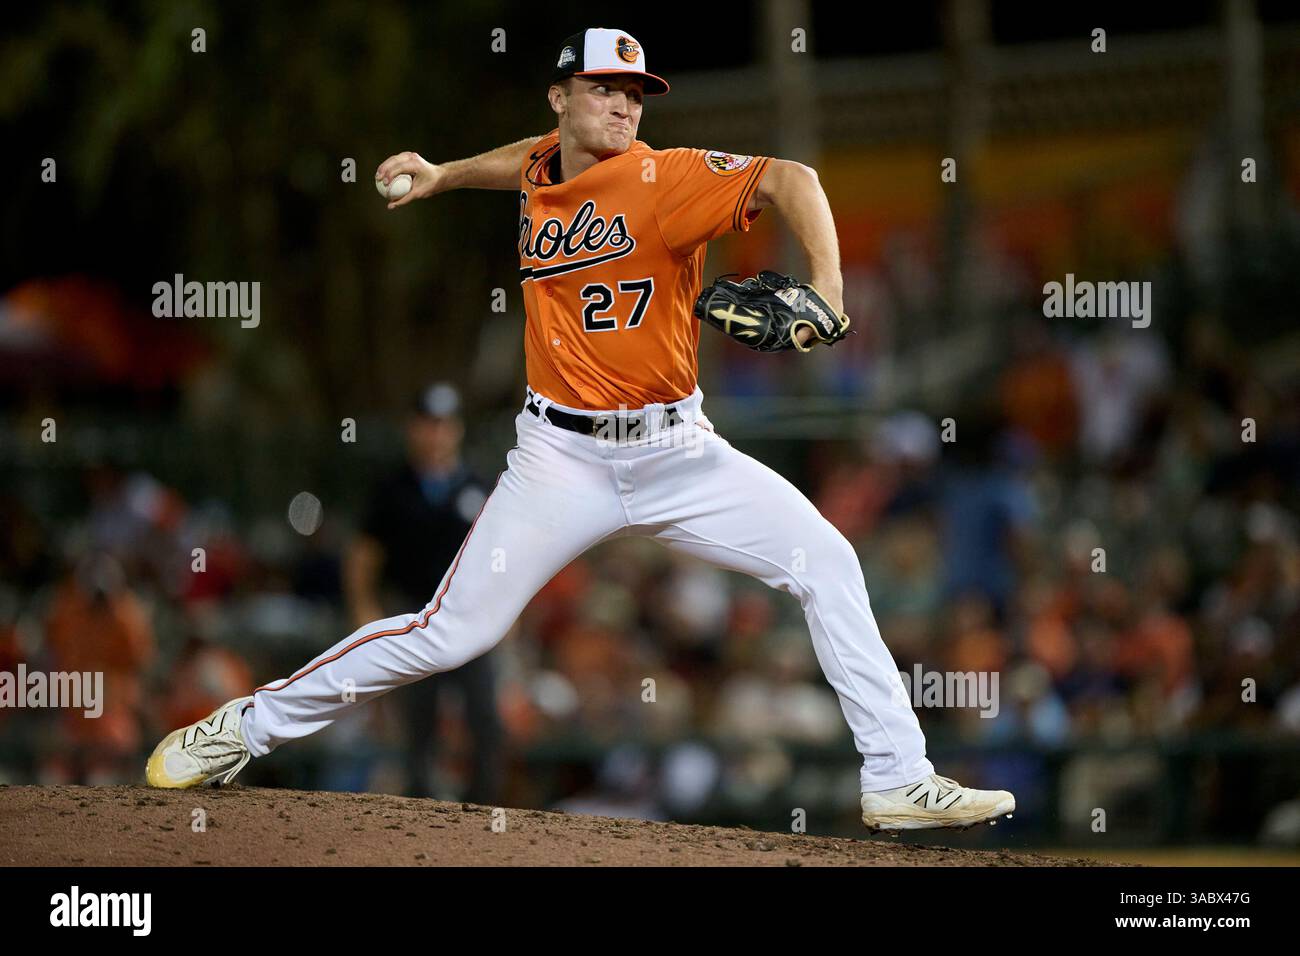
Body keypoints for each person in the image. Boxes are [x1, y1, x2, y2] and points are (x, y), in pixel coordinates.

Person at [146, 27, 1014, 832]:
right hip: (558, 460)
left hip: (680, 453)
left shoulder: (666, 177)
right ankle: (241, 728)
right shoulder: (541, 165)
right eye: (605, 88)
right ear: (559, 97)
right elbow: (519, 165)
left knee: (826, 559)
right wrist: (446, 174)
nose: (626, 106)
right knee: (452, 633)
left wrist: (827, 289)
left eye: (635, 93)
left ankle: (897, 775)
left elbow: (796, 179)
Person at [344, 383, 503, 802]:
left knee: (484, 714)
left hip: (469, 614)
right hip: (411, 611)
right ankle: (421, 814)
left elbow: (500, 554)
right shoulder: (391, 487)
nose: (436, 434)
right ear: (413, 429)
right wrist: (364, 605)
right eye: (428, 424)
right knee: (419, 719)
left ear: (457, 430)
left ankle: (486, 808)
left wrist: (508, 612)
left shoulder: (478, 484)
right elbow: (364, 554)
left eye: (444, 425)